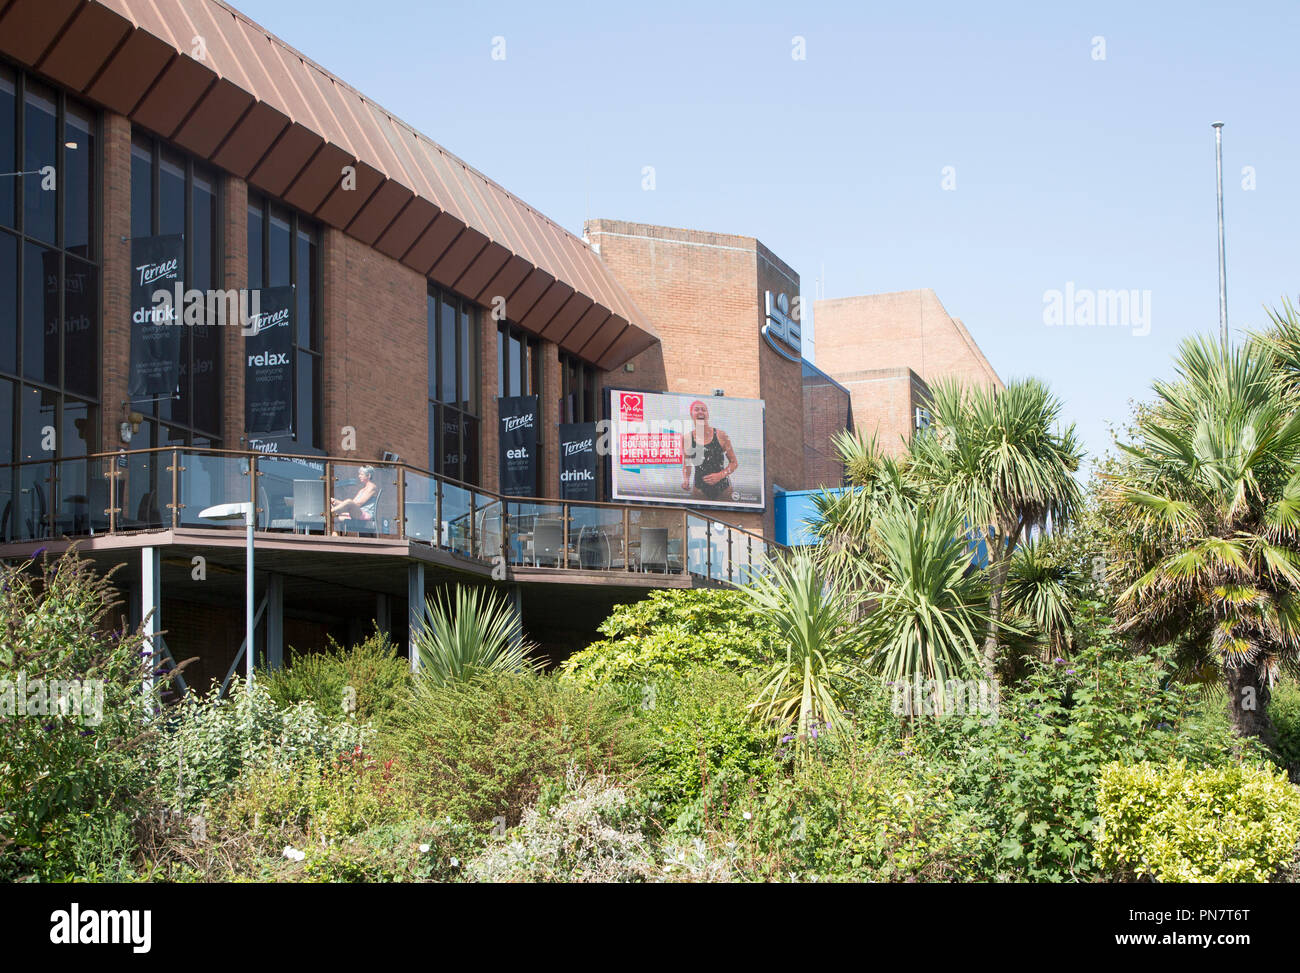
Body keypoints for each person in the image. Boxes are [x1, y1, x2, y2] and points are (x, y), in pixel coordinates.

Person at [680, 400, 738, 501]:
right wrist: (686, 480)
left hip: (723, 489)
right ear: (691, 414)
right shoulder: (687, 439)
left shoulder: (721, 435)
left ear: (708, 414)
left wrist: (720, 475)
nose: (700, 412)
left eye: (703, 410)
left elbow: (734, 463)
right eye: (696, 409)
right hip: (699, 490)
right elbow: (687, 464)